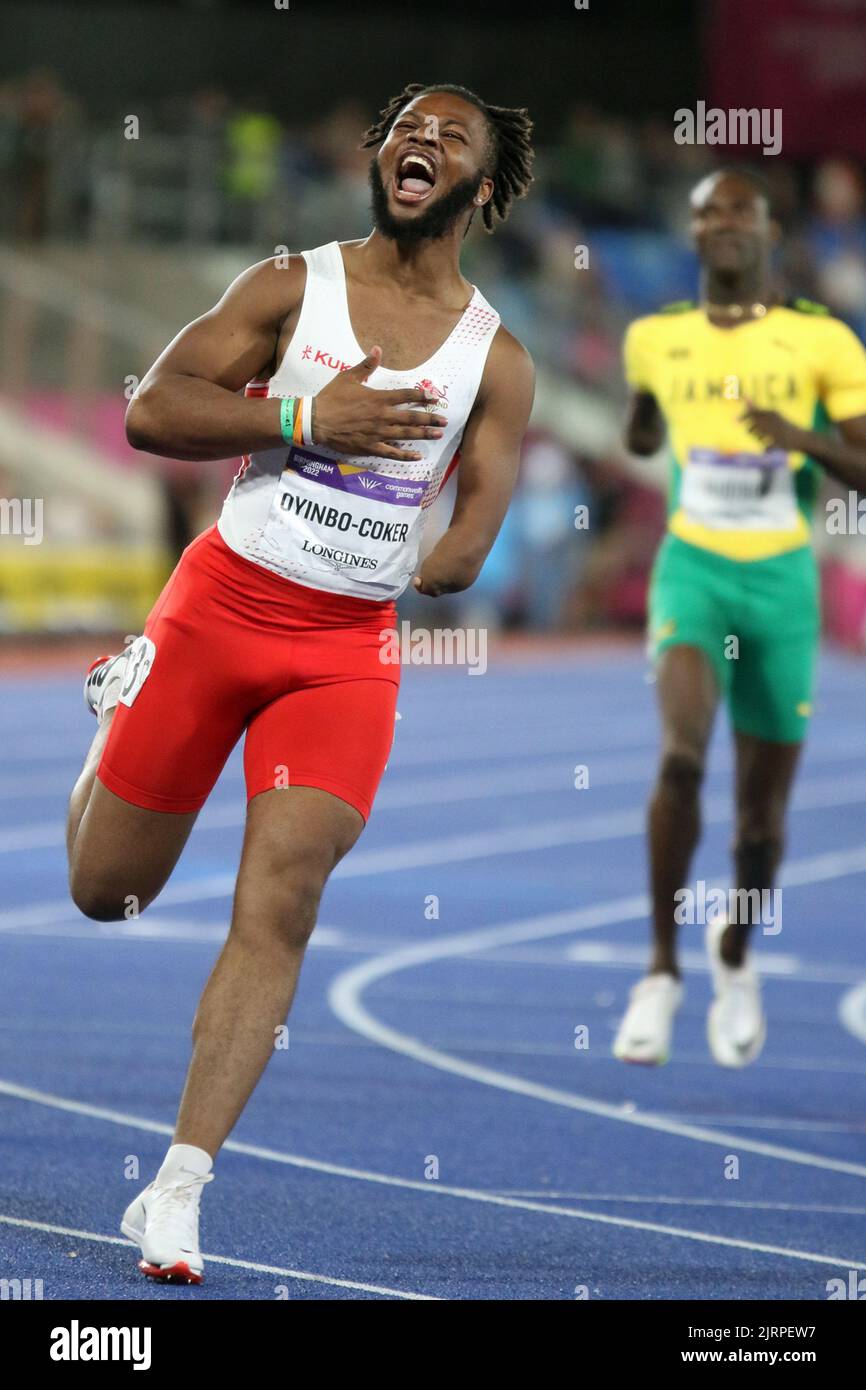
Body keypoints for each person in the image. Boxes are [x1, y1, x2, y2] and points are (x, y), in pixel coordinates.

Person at [66, 82, 535, 1283]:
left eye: (449, 137)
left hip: (342, 650)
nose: (419, 143)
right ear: (380, 157)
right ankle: (126, 695)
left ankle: (177, 1188)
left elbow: (479, 517)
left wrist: (451, 559)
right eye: (405, 129)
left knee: (281, 901)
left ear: (481, 187)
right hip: (221, 605)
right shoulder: (291, 288)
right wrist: (300, 411)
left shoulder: (498, 359)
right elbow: (152, 410)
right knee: (103, 893)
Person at [613, 169, 866, 1068]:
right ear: (692, 234)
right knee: (679, 760)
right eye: (709, 210)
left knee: (761, 820)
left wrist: (801, 441)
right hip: (693, 571)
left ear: (767, 231)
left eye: (741, 212)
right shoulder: (654, 338)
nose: (724, 223)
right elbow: (644, 427)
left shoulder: (820, 339)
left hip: (782, 587)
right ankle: (660, 971)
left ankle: (735, 956)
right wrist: (642, 426)